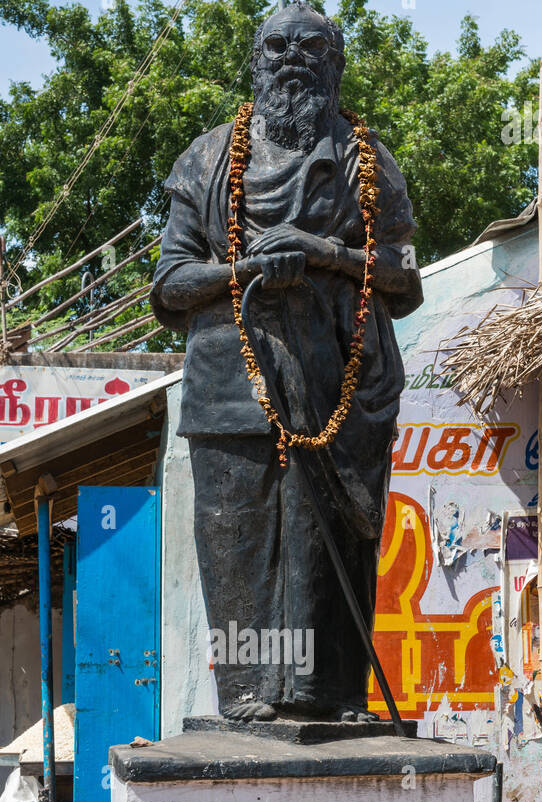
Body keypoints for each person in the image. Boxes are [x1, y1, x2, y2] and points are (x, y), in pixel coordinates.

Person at [150, 2, 422, 722]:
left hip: (339, 379)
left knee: (326, 532)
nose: (293, 58)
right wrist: (245, 270)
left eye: (311, 46)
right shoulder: (208, 157)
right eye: (277, 45)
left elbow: (403, 278)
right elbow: (170, 285)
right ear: (255, 60)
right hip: (229, 382)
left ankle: (325, 693)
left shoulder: (367, 159)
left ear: (335, 63)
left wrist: (328, 254)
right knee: (234, 534)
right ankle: (245, 694)